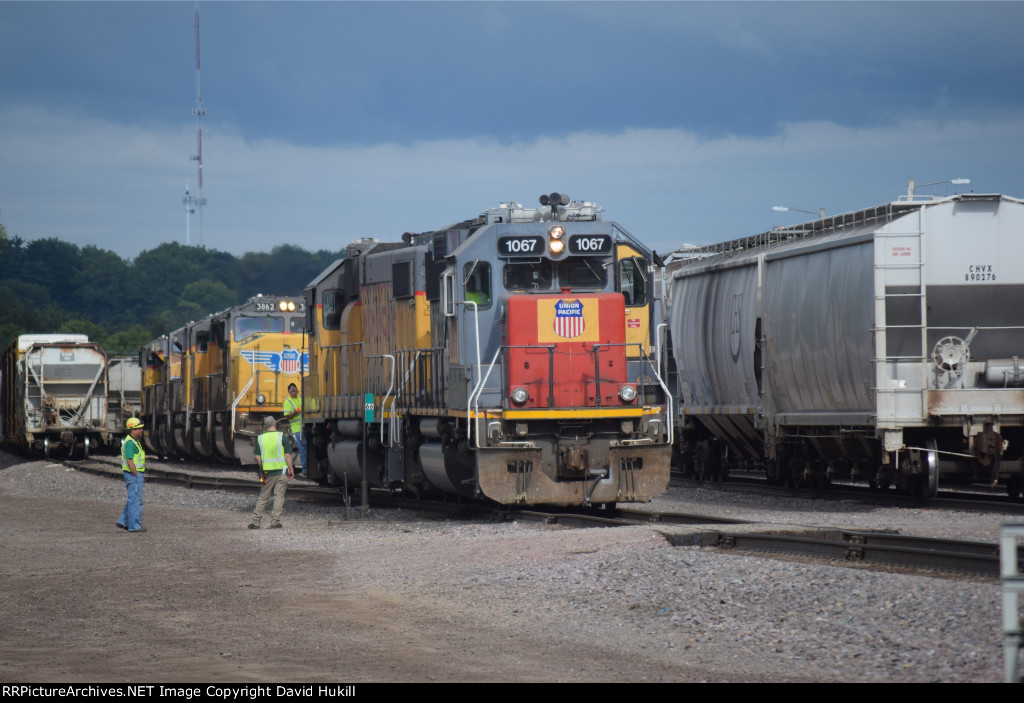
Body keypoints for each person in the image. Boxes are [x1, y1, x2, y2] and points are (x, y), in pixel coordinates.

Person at [249, 415, 295, 529]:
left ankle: (255, 523)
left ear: (265, 427)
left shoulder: (260, 438)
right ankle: (275, 522)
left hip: (268, 473)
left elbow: (257, 458)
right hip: (282, 472)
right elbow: (287, 455)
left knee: (263, 497)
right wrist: (291, 469)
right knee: (279, 497)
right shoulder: (281, 436)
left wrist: (262, 468)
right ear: (275, 424)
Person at [116, 417, 147, 533]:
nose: (141, 430)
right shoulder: (130, 443)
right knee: (135, 500)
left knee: (133, 499)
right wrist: (136, 474)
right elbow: (130, 461)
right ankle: (134, 526)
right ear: (133, 430)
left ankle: (123, 521)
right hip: (133, 475)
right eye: (139, 428)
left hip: (133, 474)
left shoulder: (133, 441)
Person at [282, 382, 307, 475]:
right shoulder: (287, 402)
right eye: (291, 388)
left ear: (297, 389)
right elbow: (287, 416)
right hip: (297, 429)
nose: (293, 389)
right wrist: (296, 411)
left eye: (294, 387)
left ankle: (306, 468)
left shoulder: (301, 399)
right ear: (288, 391)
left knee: (306, 448)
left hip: (306, 427)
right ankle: (305, 469)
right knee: (303, 448)